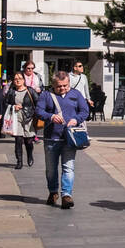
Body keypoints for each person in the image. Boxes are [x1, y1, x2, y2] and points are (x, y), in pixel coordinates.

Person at [36, 71, 90, 209]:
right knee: (51, 169)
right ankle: (53, 192)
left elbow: (85, 111)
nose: (63, 88)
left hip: (69, 138)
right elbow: (38, 111)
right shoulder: (46, 95)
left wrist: (75, 119)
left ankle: (67, 195)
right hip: (51, 138)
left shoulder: (76, 94)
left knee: (68, 167)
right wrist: (51, 116)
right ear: (53, 84)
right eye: (59, 86)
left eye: (66, 85)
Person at [0, 71, 38, 168]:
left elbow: (38, 103)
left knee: (28, 141)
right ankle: (19, 161)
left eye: (20, 78)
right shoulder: (11, 92)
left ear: (24, 80)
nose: (18, 81)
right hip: (16, 118)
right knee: (18, 140)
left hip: (28, 118)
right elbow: (5, 103)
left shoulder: (30, 91)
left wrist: (35, 114)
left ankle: (30, 155)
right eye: (15, 79)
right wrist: (13, 106)